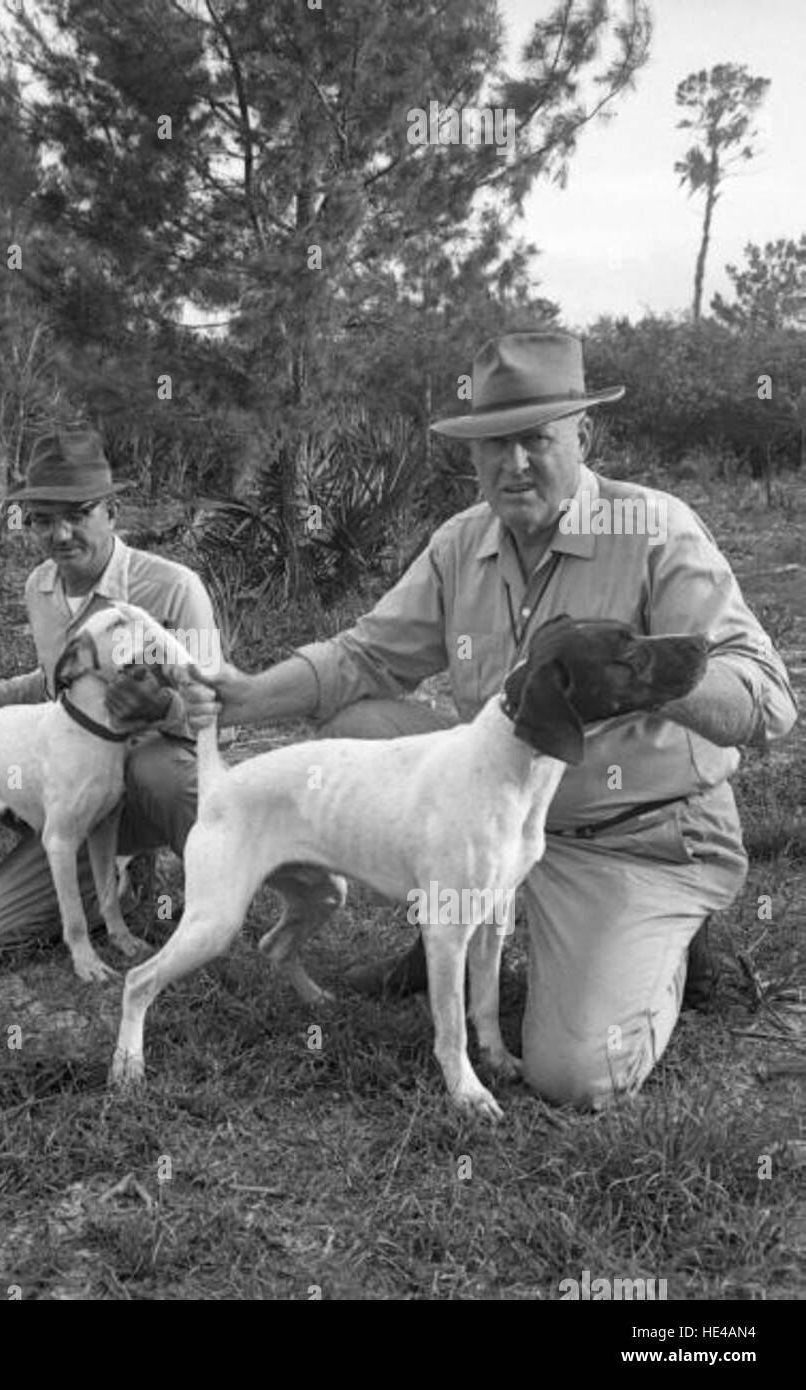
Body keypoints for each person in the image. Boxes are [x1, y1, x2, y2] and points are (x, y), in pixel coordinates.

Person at [186, 331, 797, 1108]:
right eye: (494, 443)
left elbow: (769, 705)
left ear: (583, 435)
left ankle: (669, 933)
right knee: (362, 727)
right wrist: (244, 695)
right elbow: (363, 656)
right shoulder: (462, 541)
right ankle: (450, 915)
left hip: (630, 832)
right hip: (497, 819)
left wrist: (639, 677)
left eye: (536, 439)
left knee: (577, 1076)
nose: (514, 464)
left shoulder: (652, 529)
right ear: (472, 455)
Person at [0, 429, 339, 953]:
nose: (60, 534)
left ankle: (265, 884)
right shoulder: (41, 587)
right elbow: (60, 683)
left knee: (151, 766)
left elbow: (224, 714)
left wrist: (163, 708)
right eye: (43, 519)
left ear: (112, 512)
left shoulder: (171, 588)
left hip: (157, 777)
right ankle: (113, 884)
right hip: (82, 784)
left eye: (78, 514)